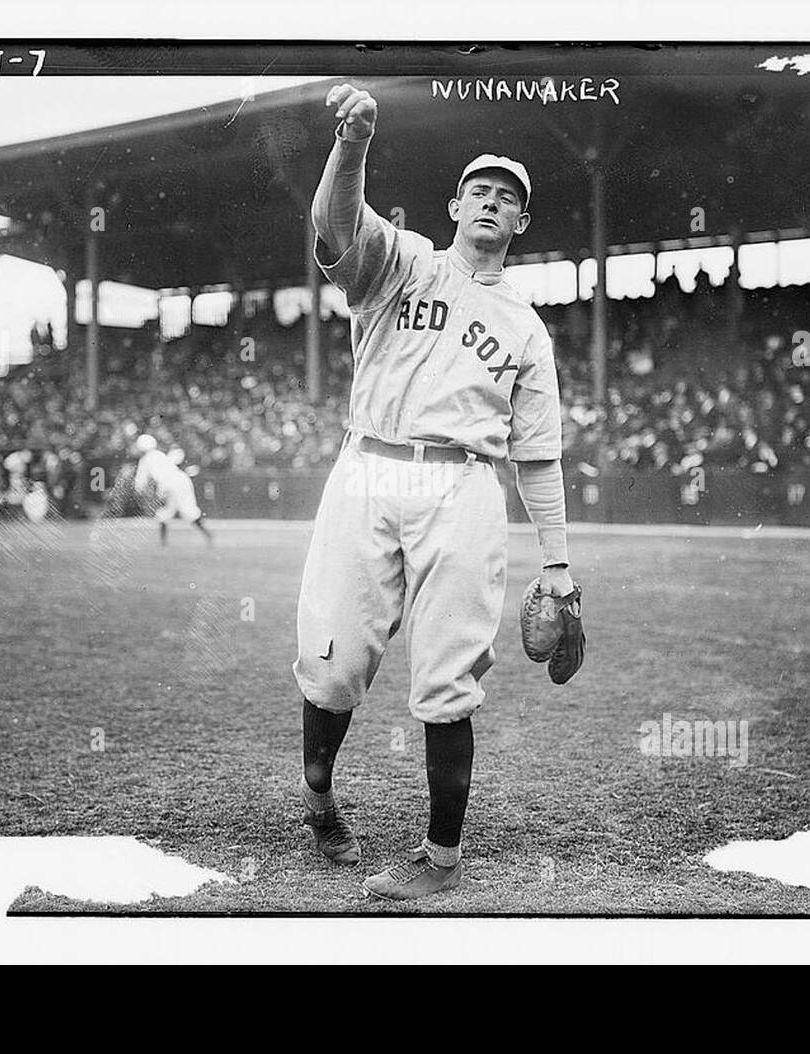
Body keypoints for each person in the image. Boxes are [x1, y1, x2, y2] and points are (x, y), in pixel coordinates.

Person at [292, 83, 574, 901]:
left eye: (509, 198)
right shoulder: (403, 259)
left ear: (521, 224)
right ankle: (318, 796)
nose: (493, 201)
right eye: (481, 189)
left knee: (449, 679)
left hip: (465, 484)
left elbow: (541, 455)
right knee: (332, 660)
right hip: (370, 466)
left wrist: (557, 566)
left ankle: (441, 860)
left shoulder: (526, 325)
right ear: (455, 205)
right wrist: (352, 146)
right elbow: (334, 228)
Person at [133, 435, 213, 546]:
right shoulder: (159, 454)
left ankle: (164, 543)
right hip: (182, 480)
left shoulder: (145, 460)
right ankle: (207, 535)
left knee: (177, 511)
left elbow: (140, 483)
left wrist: (139, 493)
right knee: (180, 510)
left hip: (170, 485)